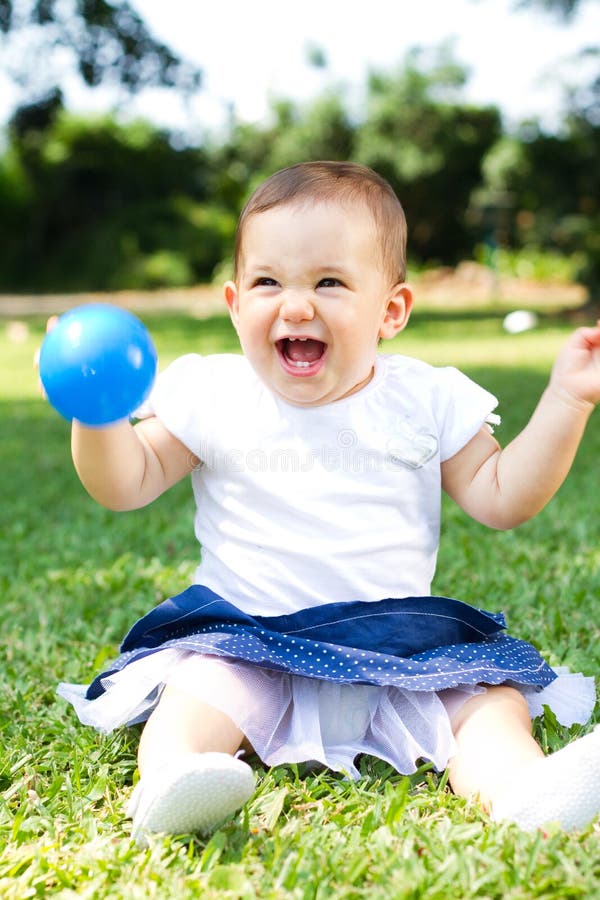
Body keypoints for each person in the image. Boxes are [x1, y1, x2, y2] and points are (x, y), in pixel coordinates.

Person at [56, 161, 600, 846]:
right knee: (196, 700)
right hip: (248, 639)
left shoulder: (426, 398)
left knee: (489, 706)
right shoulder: (216, 395)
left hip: (401, 647)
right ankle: (174, 780)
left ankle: (524, 793)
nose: (295, 305)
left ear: (391, 310)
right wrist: (95, 412)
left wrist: (567, 400)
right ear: (234, 304)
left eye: (329, 282)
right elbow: (125, 482)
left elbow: (501, 499)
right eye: (267, 282)